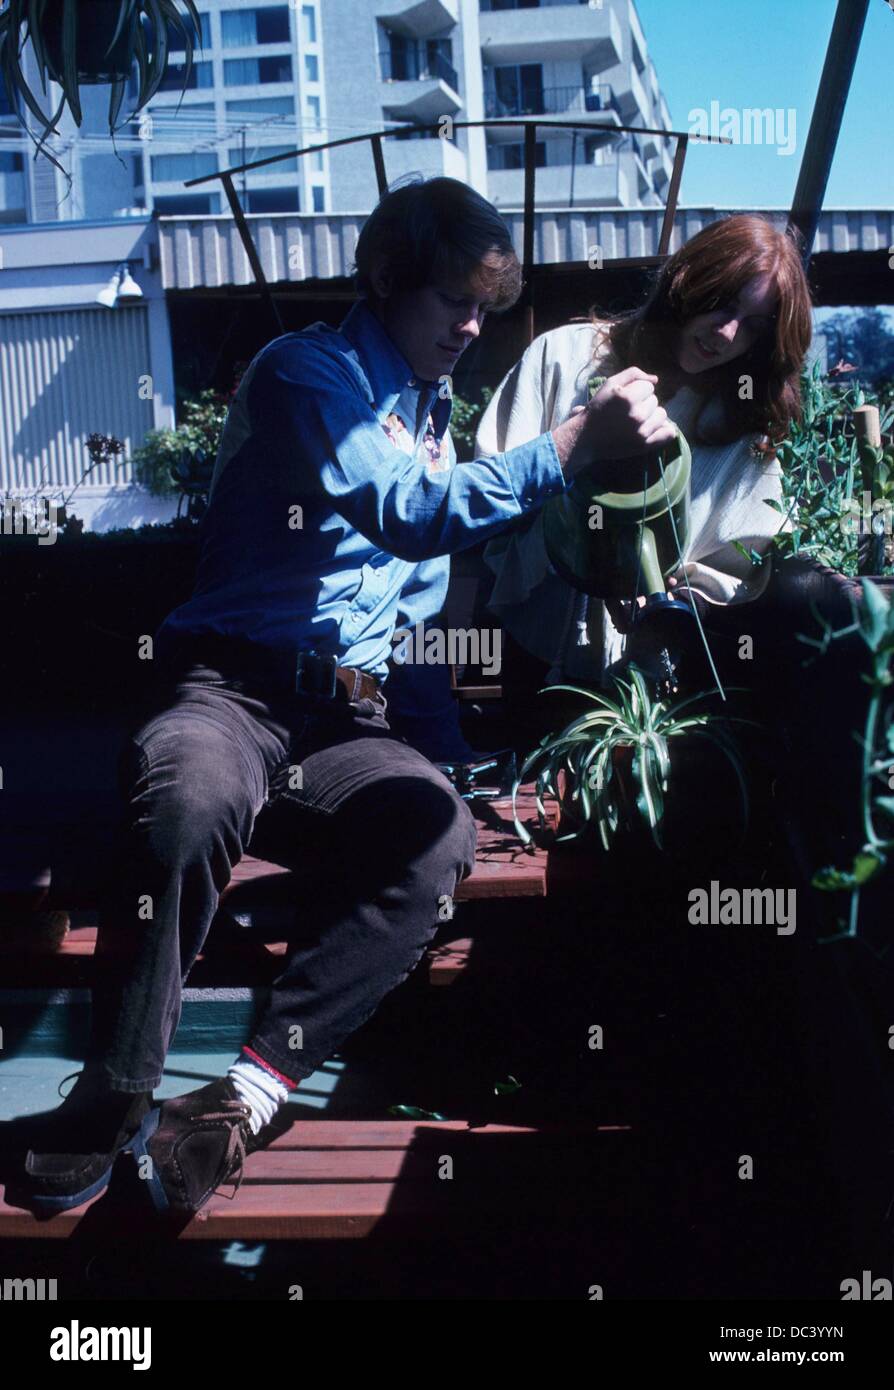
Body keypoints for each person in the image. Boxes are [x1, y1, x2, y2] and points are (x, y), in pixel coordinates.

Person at [8, 176, 675, 1217]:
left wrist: (447, 764)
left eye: (482, 306)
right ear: (386, 282)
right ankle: (114, 1095)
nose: (468, 324)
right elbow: (411, 514)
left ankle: (242, 1095)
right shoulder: (304, 374)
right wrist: (569, 448)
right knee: (188, 794)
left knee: (436, 836)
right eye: (449, 299)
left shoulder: (430, 417)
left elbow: (407, 624)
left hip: (342, 723)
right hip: (231, 692)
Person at [476, 214, 813, 692]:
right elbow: (488, 493)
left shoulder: (741, 435)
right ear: (688, 279)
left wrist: (681, 592)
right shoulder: (563, 357)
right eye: (721, 303)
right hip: (526, 654)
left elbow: (746, 567)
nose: (726, 334)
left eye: (754, 327)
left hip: (643, 690)